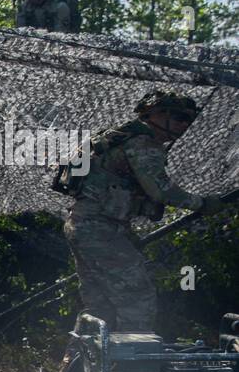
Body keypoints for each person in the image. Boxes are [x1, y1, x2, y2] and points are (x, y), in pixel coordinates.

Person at [59, 89, 221, 332]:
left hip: (85, 224)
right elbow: (160, 190)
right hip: (99, 229)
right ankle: (132, 366)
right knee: (138, 298)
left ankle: (75, 368)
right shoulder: (144, 143)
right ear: (157, 114)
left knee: (99, 306)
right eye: (179, 118)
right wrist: (203, 203)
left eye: (189, 120)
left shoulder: (122, 137)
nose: (185, 125)